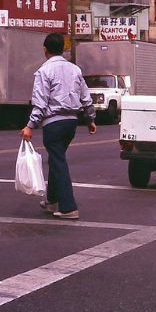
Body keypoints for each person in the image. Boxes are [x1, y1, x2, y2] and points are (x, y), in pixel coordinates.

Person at [21, 32, 97, 220]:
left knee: (58, 161)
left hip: (53, 123)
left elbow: (40, 103)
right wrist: (90, 119)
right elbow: (86, 97)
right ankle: (52, 200)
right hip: (71, 122)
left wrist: (30, 126)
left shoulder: (43, 71)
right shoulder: (75, 70)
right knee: (57, 158)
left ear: (45, 49)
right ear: (63, 49)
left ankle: (68, 207)